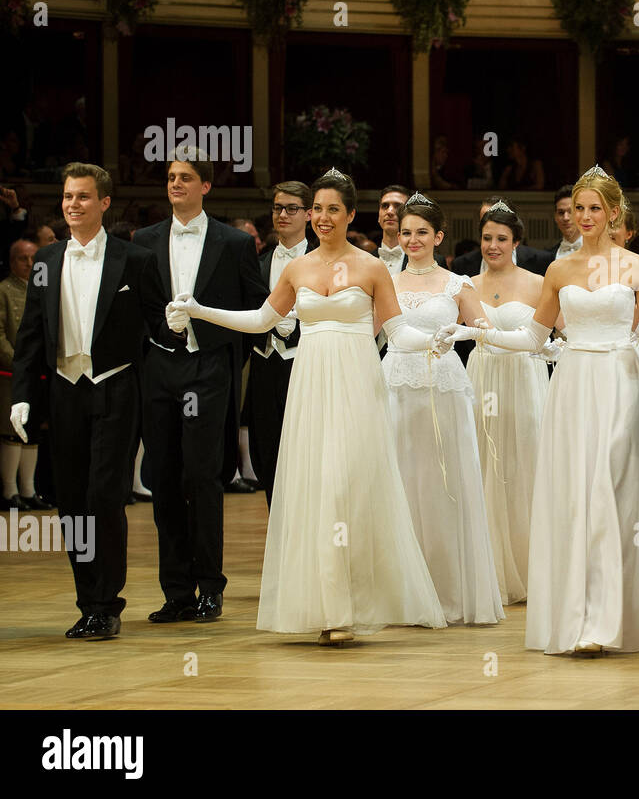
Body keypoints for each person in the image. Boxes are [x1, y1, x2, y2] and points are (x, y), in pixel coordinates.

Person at [168, 169, 448, 644]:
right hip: (311, 382)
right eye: (316, 208)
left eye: (332, 209)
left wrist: (436, 340)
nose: (321, 217)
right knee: (315, 488)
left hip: (357, 383)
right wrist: (199, 310)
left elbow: (397, 332)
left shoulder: (372, 267)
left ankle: (350, 606)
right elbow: (261, 320)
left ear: (350, 214)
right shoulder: (296, 269)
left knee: (348, 486)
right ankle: (326, 608)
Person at [435, 167, 639, 656]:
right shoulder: (558, 271)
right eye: (578, 208)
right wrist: (479, 334)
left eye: (594, 208)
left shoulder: (637, 266)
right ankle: (583, 619)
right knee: (579, 495)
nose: (584, 217)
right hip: (574, 385)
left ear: (614, 212)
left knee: (611, 489)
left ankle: (612, 618)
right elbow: (535, 338)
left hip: (621, 383)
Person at [10, 164, 164, 641]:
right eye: (67, 196)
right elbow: (31, 335)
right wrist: (22, 397)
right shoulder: (46, 261)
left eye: (82, 196)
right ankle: (87, 601)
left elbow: (156, 328)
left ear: (103, 203)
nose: (72, 204)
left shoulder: (134, 260)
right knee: (71, 500)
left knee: (103, 497)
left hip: (115, 386)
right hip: (63, 389)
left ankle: (106, 603)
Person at [132, 148, 271, 627]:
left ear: (205, 186)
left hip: (209, 367)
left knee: (204, 477)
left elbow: (255, 305)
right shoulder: (145, 239)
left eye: (186, 177)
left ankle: (210, 587)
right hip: (161, 367)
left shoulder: (233, 243)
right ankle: (176, 591)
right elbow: (140, 307)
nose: (176, 184)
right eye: (171, 177)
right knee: (164, 477)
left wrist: (210, 331)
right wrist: (160, 331)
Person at [384, 195, 504, 625]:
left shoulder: (457, 284)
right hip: (396, 382)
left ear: (438, 236)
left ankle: (448, 590)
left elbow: (485, 331)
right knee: (399, 480)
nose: (413, 240)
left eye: (421, 232)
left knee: (443, 482)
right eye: (406, 233)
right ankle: (401, 590)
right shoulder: (386, 282)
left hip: (444, 385)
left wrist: (458, 330)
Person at [465, 200, 549, 604]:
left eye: (501, 239)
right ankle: (487, 570)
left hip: (523, 378)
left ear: (516, 241)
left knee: (524, 464)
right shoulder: (466, 285)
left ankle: (534, 568)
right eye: (486, 238)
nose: (493, 246)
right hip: (481, 377)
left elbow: (561, 334)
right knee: (485, 465)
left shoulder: (537, 283)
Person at [244, 181, 313, 507]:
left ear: (309, 214)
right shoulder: (257, 262)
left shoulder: (322, 258)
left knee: (306, 455)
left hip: (307, 364)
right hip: (263, 364)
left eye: (291, 208)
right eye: (277, 208)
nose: (283, 214)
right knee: (266, 451)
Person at [0, 238, 47, 511]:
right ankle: (9, 491)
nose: (28, 264)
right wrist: (19, 364)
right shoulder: (2, 291)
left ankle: (29, 490)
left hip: (40, 372)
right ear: (12, 261)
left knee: (33, 433)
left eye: (32, 259)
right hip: (11, 373)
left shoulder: (42, 289)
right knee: (11, 432)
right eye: (22, 259)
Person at [450, 197, 552, 277]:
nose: (493, 246)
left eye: (502, 239)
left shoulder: (541, 262)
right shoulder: (461, 266)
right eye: (485, 220)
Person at [375, 184, 409, 275]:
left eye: (398, 206)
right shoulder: (362, 260)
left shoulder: (427, 261)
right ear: (379, 216)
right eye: (385, 206)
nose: (389, 211)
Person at [547, 185, 582, 260]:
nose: (565, 218)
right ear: (555, 217)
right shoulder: (548, 256)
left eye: (571, 211)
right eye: (561, 212)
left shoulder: (600, 251)